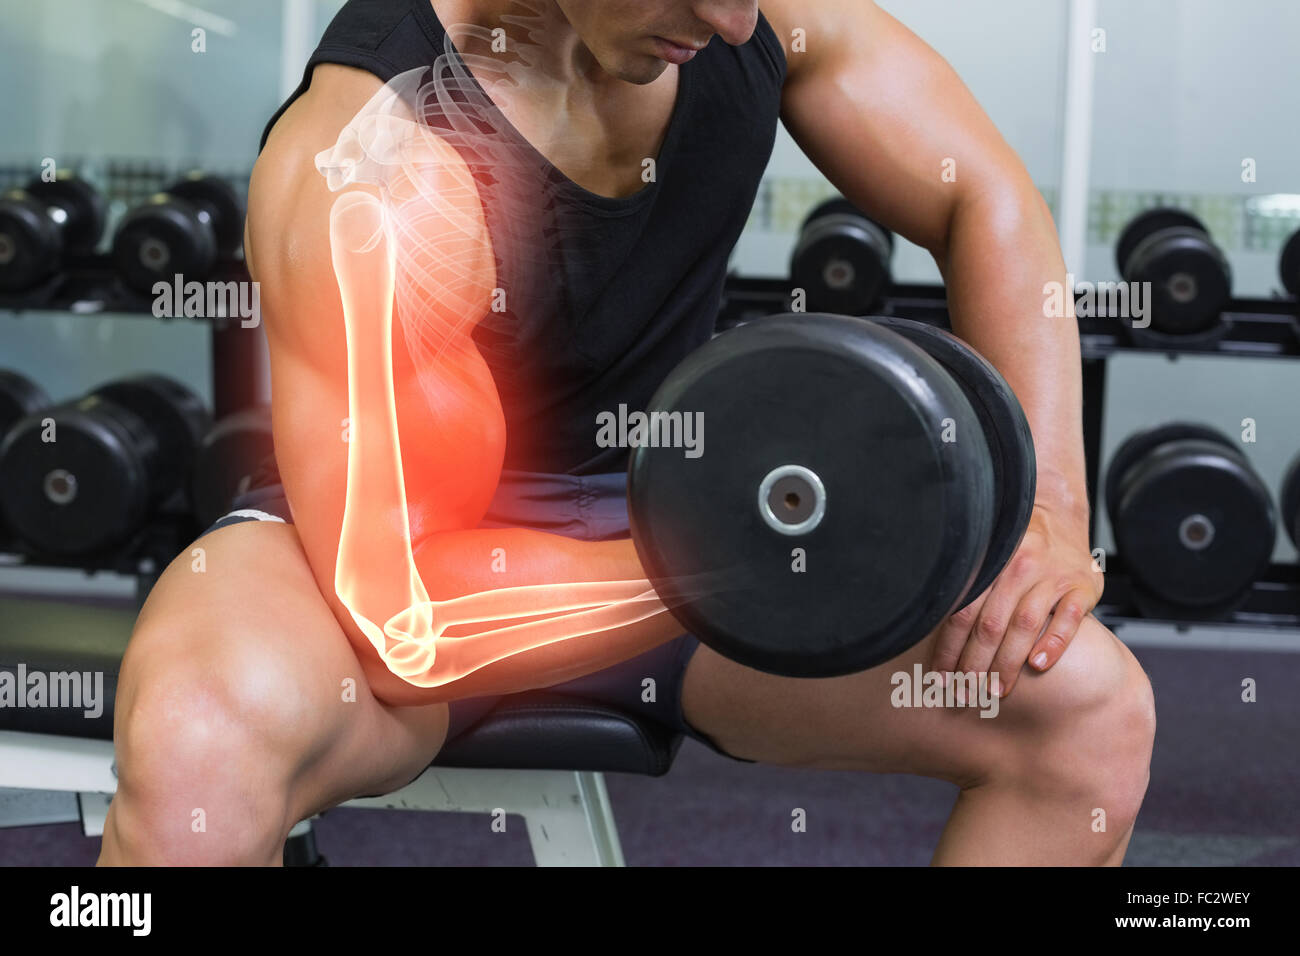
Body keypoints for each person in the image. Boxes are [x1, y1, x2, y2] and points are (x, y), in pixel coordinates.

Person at [99, 0, 1155, 866]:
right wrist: (748, 563)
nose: (733, 23)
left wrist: (1053, 505)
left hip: (657, 519)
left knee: (1082, 710)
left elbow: (984, 196)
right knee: (201, 740)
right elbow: (404, 620)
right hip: (372, 545)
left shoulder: (741, 16)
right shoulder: (377, 167)